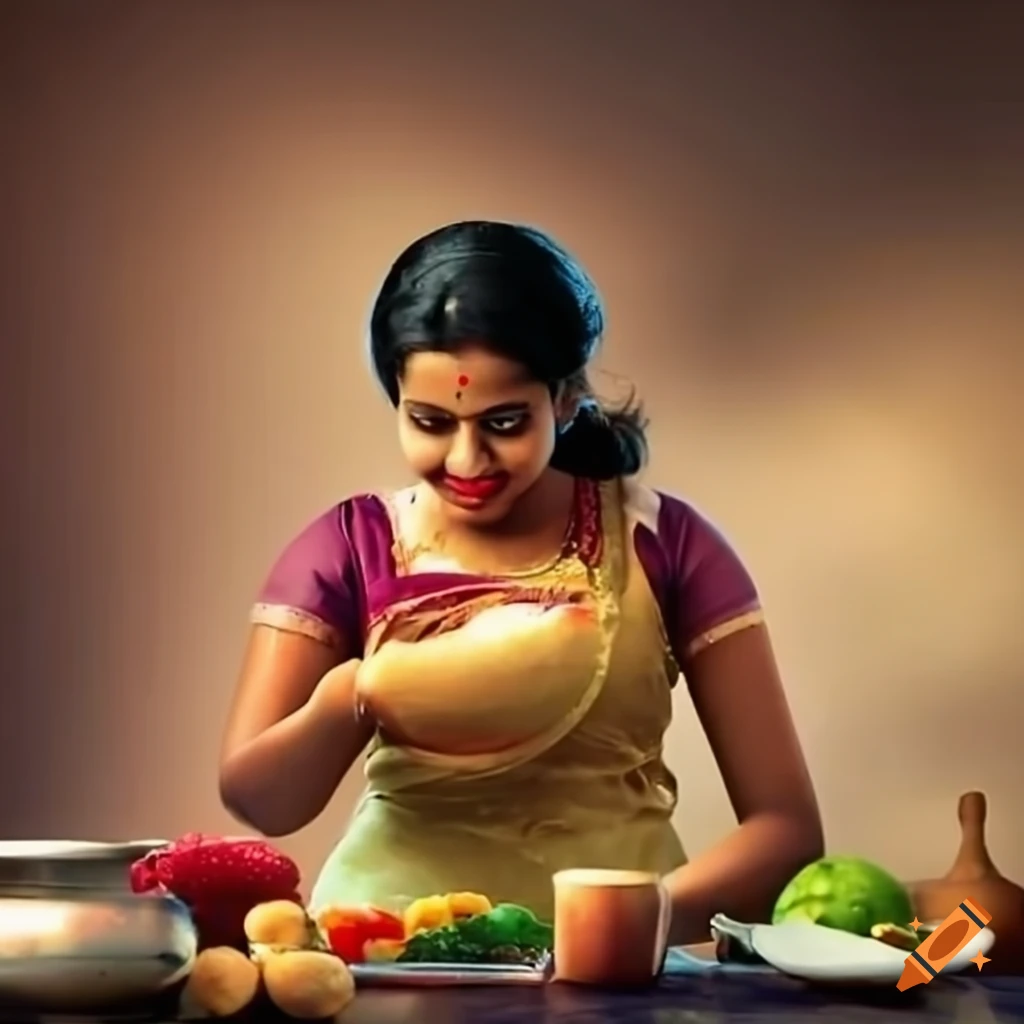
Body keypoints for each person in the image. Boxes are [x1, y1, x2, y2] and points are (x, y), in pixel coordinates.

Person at [218, 220, 823, 944]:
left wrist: (645, 917)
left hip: (619, 975)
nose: (467, 460)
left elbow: (787, 831)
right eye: (430, 421)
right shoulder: (352, 547)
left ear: (566, 399)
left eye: (504, 421)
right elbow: (261, 801)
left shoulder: (664, 543)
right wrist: (356, 695)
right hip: (391, 960)